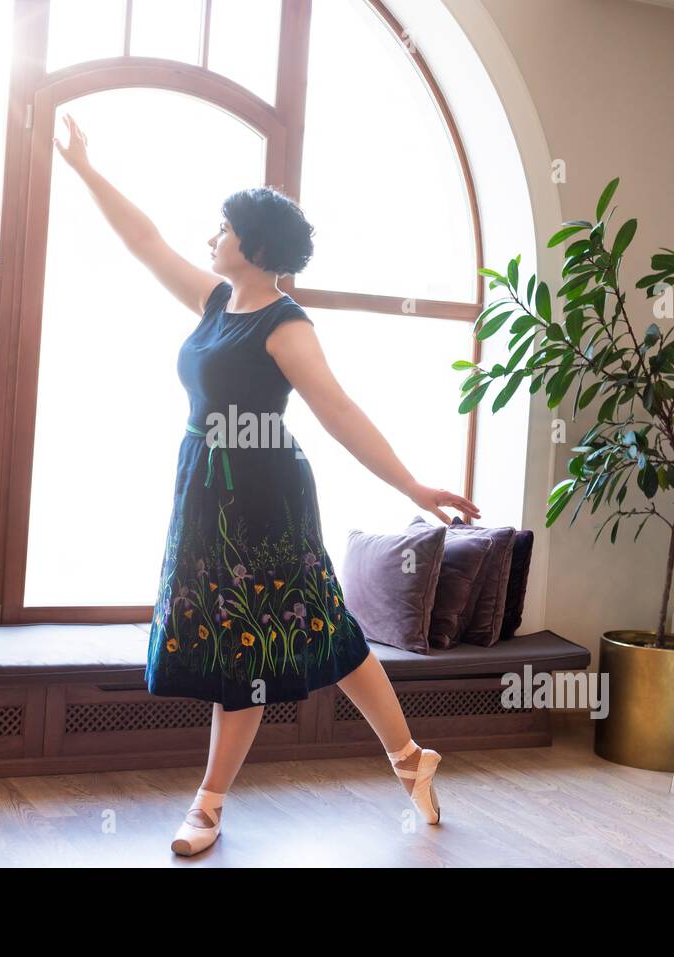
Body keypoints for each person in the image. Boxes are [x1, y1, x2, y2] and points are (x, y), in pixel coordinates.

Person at [53, 113, 481, 856]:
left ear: (251, 247)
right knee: (324, 634)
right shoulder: (217, 301)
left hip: (262, 498)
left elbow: (339, 411)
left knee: (247, 645)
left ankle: (209, 804)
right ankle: (410, 757)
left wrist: (413, 484)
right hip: (205, 488)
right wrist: (89, 173)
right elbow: (144, 239)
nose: (208, 239)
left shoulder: (286, 324)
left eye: (220, 230)